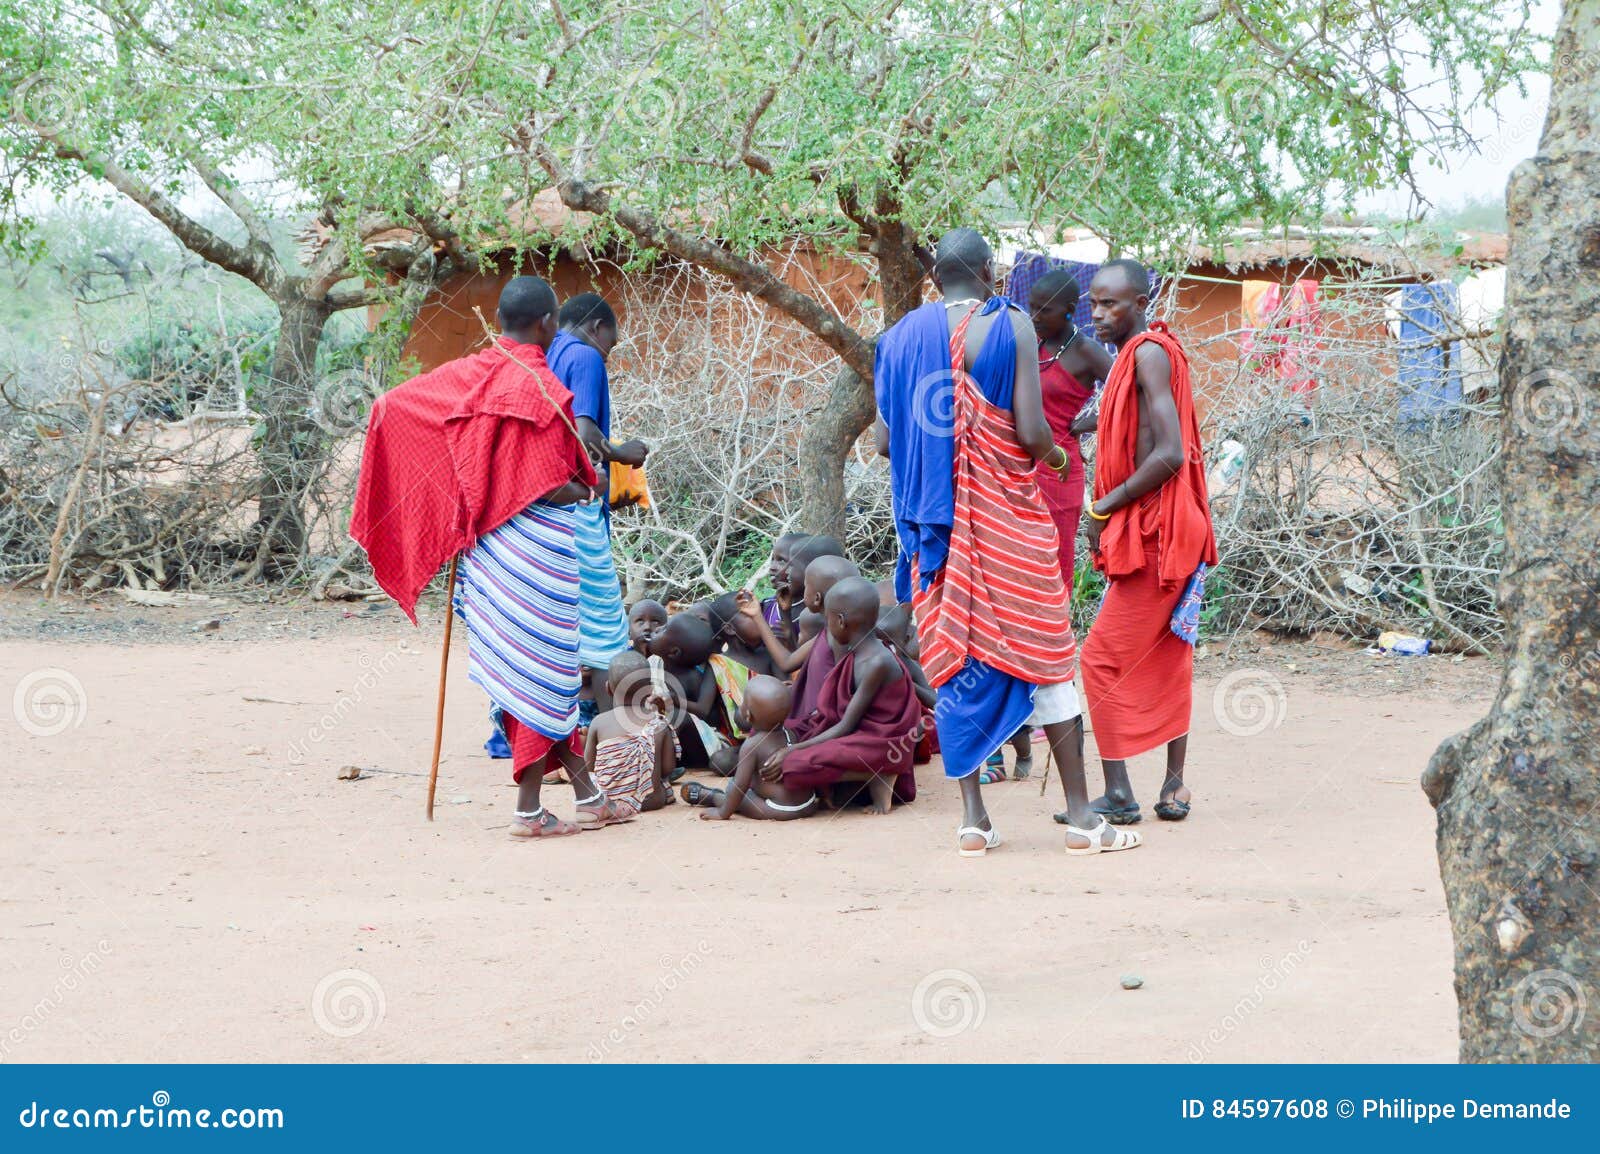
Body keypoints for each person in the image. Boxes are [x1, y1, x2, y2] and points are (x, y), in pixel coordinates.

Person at [873, 228, 1141, 856]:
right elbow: (1028, 429)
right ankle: (1081, 819)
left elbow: (886, 443)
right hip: (1006, 520)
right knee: (1046, 648)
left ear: (935, 275)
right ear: (989, 273)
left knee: (950, 655)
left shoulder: (899, 338)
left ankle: (974, 821)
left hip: (934, 529)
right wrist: (1054, 457)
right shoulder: (1011, 324)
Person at [350, 275, 626, 839]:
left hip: (487, 553)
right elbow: (547, 484)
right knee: (543, 673)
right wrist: (590, 484)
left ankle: (588, 795)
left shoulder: (467, 374)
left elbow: (391, 407)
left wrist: (457, 495)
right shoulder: (542, 386)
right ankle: (528, 810)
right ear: (548, 324)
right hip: (536, 552)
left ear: (501, 319)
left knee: (534, 670)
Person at [1078, 259, 1218, 825]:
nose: (1097, 314)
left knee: (1100, 658)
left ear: (1139, 303)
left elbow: (1169, 453)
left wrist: (1103, 504)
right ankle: (1175, 787)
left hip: (1156, 532)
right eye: (1093, 303)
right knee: (1167, 653)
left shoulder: (1149, 354)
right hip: (1162, 528)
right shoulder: (1132, 359)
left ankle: (1117, 794)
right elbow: (1128, 427)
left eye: (1110, 304)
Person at [546, 293, 647, 717]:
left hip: (550, 504)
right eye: (612, 340)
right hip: (579, 504)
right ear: (596, 328)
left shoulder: (547, 354)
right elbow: (586, 433)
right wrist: (626, 453)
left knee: (562, 617)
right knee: (603, 618)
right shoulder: (585, 357)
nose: (610, 349)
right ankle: (606, 728)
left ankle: (556, 717)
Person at [762, 576, 922, 814]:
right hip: (860, 737)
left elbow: (845, 725)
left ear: (840, 621)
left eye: (827, 619)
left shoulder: (876, 661)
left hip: (883, 744)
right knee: (785, 746)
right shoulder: (855, 652)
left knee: (792, 766)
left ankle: (878, 773)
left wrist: (793, 750)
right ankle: (856, 778)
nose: (826, 626)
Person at [681, 677, 821, 821]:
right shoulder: (790, 733)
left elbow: (740, 785)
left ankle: (713, 797)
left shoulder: (752, 745)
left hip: (778, 809)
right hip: (807, 804)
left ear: (747, 716)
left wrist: (723, 813)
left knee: (735, 793)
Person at [584, 651, 676, 817]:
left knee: (592, 781)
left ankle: (613, 805)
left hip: (606, 797)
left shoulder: (598, 721)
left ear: (607, 689)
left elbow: (588, 766)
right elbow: (668, 768)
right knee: (665, 787)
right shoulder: (658, 724)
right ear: (649, 690)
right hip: (649, 799)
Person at [646, 611, 723, 767]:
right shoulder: (653, 664)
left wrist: (673, 699)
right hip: (668, 741)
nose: (656, 628)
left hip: (700, 745)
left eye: (663, 630)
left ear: (673, 652)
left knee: (678, 717)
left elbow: (703, 711)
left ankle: (662, 767)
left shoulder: (691, 678)